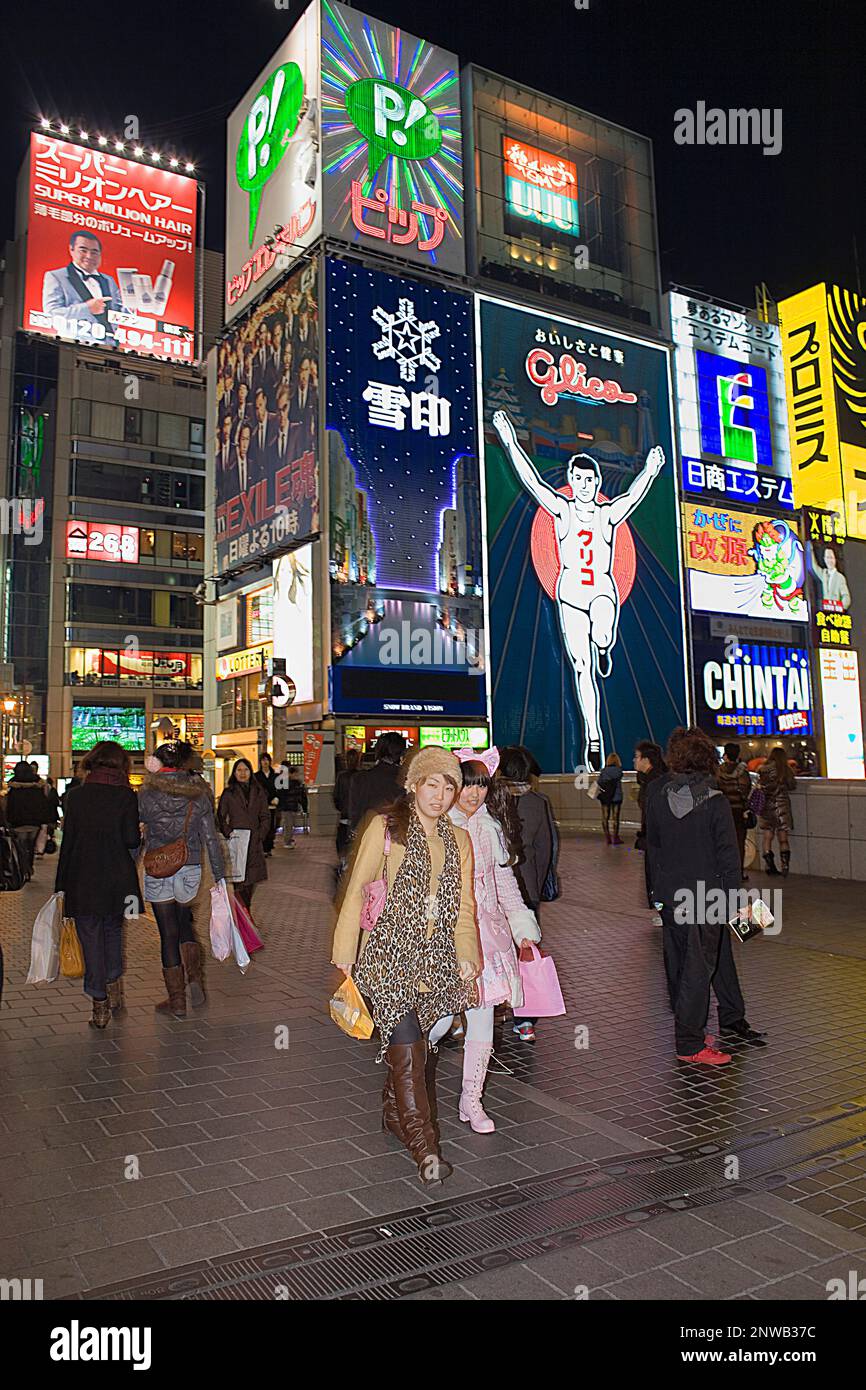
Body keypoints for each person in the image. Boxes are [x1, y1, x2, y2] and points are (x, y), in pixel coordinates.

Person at [332, 746, 481, 1185]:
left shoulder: (459, 839)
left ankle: (395, 1115)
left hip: (435, 959)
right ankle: (424, 1147)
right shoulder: (387, 827)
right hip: (388, 954)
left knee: (410, 1052)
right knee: (411, 1047)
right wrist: (346, 949)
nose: (439, 795)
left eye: (448, 786)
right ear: (414, 785)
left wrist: (468, 953)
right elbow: (358, 888)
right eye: (431, 784)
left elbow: (465, 907)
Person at [493, 408, 664, 771]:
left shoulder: (607, 514)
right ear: (571, 479)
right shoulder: (562, 510)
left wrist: (650, 469)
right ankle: (593, 736)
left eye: (591, 479)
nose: (585, 484)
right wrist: (509, 440)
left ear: (597, 482)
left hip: (601, 589)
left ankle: (605, 645)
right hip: (570, 593)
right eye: (579, 478)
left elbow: (633, 497)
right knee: (581, 668)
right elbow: (532, 482)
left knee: (602, 635)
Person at [430, 749, 541, 1130]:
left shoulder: (490, 827)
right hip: (448, 935)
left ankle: (471, 1102)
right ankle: (406, 1078)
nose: (474, 795)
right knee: (441, 1019)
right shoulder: (436, 827)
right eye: (467, 786)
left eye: (480, 787)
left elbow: (505, 884)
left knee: (482, 1019)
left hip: (489, 936)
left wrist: (523, 931)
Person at [646, 727, 766, 1065]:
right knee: (699, 970)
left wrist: (656, 894)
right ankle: (689, 1044)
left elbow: (653, 848)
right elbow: (729, 859)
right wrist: (736, 904)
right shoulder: (715, 802)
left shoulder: (658, 797)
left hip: (671, 897)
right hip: (707, 900)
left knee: (679, 965)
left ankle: (690, 1027)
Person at [54, 742, 142, 1028]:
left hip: (82, 878)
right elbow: (131, 839)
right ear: (121, 766)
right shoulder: (127, 796)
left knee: (90, 937)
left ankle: (99, 1003)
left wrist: (60, 886)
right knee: (113, 931)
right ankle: (114, 986)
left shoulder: (76, 797)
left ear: (92, 762)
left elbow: (67, 844)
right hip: (118, 879)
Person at [138, 741, 226, 1019]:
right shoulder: (199, 793)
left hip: (158, 866)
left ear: (156, 763)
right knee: (185, 922)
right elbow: (210, 838)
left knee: (168, 934)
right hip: (189, 867)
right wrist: (220, 876)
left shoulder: (146, 793)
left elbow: (135, 831)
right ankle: (195, 980)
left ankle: (176, 1002)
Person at [497, 744, 556, 1044]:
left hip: (495, 892)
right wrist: (538, 881)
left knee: (495, 950)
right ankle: (525, 1021)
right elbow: (545, 849)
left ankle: (494, 1009)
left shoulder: (491, 802)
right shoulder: (538, 802)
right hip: (527, 890)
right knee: (526, 953)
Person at [42, 229, 124, 341]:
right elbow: (51, 313)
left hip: (111, 346)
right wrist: (87, 308)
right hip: (72, 343)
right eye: (83, 250)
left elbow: (118, 311)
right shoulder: (56, 276)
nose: (89, 256)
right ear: (71, 250)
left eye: (94, 252)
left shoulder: (108, 280)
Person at [217, 758, 270, 912]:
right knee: (238, 881)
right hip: (236, 841)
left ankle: (246, 912)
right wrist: (229, 833)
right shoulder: (229, 793)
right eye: (239, 770)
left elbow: (265, 816)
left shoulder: (259, 792)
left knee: (251, 881)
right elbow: (220, 816)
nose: (242, 773)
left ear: (250, 772)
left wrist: (260, 834)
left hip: (254, 842)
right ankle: (242, 914)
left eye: (246, 770)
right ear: (234, 772)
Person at [348, 731, 406, 832]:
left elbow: (355, 814)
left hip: (369, 834)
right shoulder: (407, 780)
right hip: (398, 836)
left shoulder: (360, 778)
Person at [634, 740, 667, 917]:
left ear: (647, 760)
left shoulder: (655, 782)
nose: (634, 760)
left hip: (658, 839)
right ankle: (662, 911)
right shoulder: (650, 779)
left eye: (637, 757)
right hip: (654, 837)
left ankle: (664, 912)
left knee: (657, 875)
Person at [758, 746, 796, 875]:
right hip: (781, 806)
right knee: (783, 837)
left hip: (766, 806)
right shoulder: (785, 770)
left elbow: (761, 786)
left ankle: (769, 866)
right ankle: (785, 866)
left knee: (767, 836)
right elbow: (792, 785)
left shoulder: (763, 770)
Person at [717, 743, 753, 880]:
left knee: (723, 842)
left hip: (723, 810)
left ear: (726, 755)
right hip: (739, 811)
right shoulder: (743, 772)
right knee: (739, 842)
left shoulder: (719, 771)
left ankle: (725, 870)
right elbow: (746, 791)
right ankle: (739, 871)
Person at [5, 761, 46, 879]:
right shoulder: (37, 787)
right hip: (34, 822)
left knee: (21, 847)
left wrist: (9, 821)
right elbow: (43, 805)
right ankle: (29, 868)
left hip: (18, 823)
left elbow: (10, 807)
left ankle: (24, 870)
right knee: (31, 846)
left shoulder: (15, 788)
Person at [333, 748, 361, 864]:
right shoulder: (362, 776)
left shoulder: (341, 776)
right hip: (358, 816)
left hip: (344, 815)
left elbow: (336, 796)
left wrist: (342, 808)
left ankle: (344, 862)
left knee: (342, 840)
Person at [277, 764, 308, 849]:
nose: (296, 776)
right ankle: (287, 841)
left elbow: (302, 797)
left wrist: (304, 807)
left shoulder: (297, 783)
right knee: (289, 824)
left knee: (290, 824)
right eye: (295, 774)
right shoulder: (286, 782)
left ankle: (289, 840)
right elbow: (281, 795)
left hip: (293, 807)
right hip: (286, 807)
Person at [254, 753, 279, 856]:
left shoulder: (275, 775)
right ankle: (263, 848)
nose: (265, 762)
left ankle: (269, 847)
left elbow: (279, 790)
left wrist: (277, 798)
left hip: (273, 805)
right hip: (261, 806)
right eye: (263, 760)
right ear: (260, 762)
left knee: (272, 826)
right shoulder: (256, 776)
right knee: (262, 826)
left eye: (267, 760)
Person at [596, 752, 624, 844]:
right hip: (617, 796)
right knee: (615, 817)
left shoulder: (604, 771)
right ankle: (615, 837)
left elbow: (599, 782)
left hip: (606, 796)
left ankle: (607, 837)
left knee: (605, 817)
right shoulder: (619, 771)